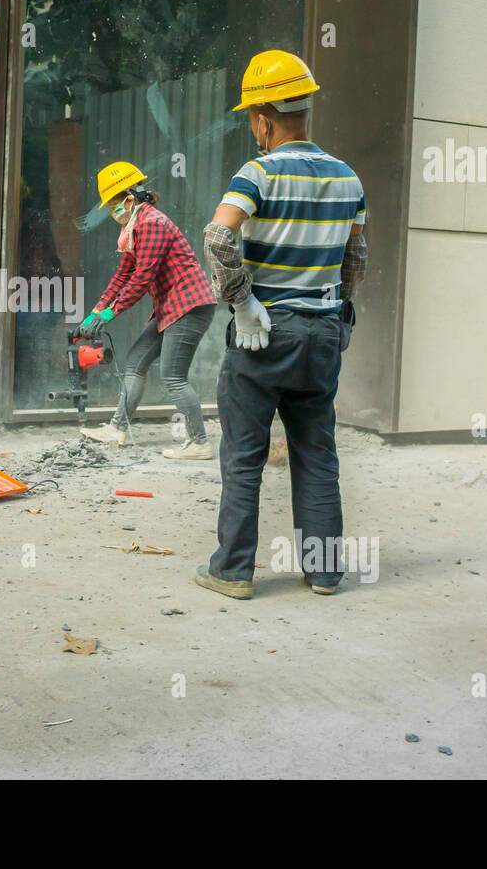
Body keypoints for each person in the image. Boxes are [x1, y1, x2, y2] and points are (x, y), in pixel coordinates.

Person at [197, 50, 367, 599]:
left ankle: (233, 572)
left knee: (244, 455)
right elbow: (356, 257)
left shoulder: (259, 171)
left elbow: (219, 238)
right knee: (317, 452)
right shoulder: (347, 177)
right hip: (322, 335)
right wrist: (339, 315)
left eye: (251, 117)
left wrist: (242, 301)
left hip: (265, 334)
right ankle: (323, 572)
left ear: (263, 117)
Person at [78, 162, 218, 460]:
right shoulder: (135, 227)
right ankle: (117, 429)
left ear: (130, 196)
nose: (112, 210)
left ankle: (200, 442)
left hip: (189, 307)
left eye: (114, 202)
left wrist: (109, 315)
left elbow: (141, 278)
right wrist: (96, 311)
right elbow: (124, 274)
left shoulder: (152, 223)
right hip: (172, 308)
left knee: (173, 376)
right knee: (135, 362)